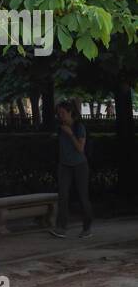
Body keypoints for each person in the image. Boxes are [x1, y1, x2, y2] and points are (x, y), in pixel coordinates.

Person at [49, 99, 93, 238]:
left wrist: (70, 134)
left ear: (70, 112)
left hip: (80, 165)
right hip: (64, 166)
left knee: (82, 197)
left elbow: (80, 148)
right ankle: (61, 227)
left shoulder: (79, 127)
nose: (60, 116)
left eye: (62, 113)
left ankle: (87, 228)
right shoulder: (59, 127)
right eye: (58, 113)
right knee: (63, 195)